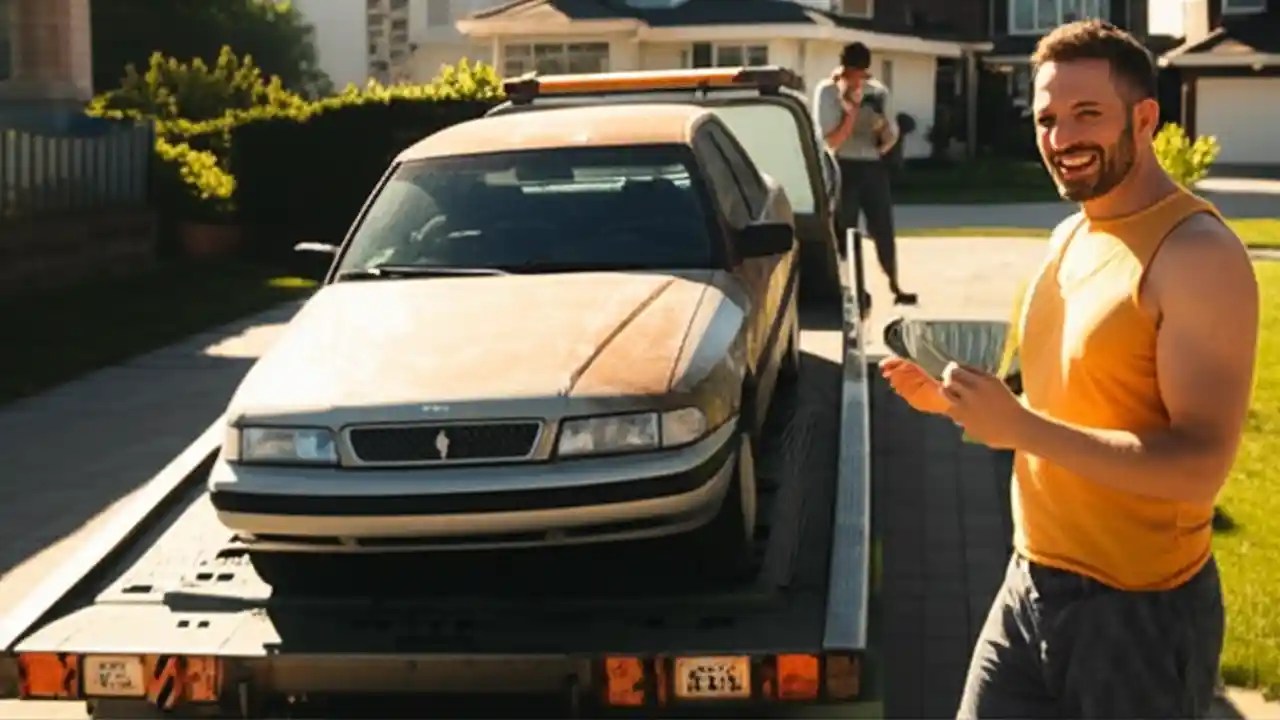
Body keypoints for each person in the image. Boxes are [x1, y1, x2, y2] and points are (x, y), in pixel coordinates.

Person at [879, 19, 1258, 719]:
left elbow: (1199, 466)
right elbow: (1074, 390)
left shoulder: (1196, 255)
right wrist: (962, 404)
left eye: (1087, 114)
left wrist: (1020, 427)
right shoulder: (1071, 234)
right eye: (1047, 118)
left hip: (1138, 613)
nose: (1060, 138)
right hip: (1030, 581)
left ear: (1144, 119)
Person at [814, 42, 917, 306]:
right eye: (853, 74)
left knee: (883, 227)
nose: (858, 80)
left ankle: (895, 284)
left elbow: (888, 141)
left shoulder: (878, 92)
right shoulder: (827, 92)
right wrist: (850, 111)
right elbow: (832, 142)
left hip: (872, 166)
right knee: (846, 232)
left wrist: (882, 126)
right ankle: (851, 289)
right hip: (842, 166)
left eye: (862, 74)